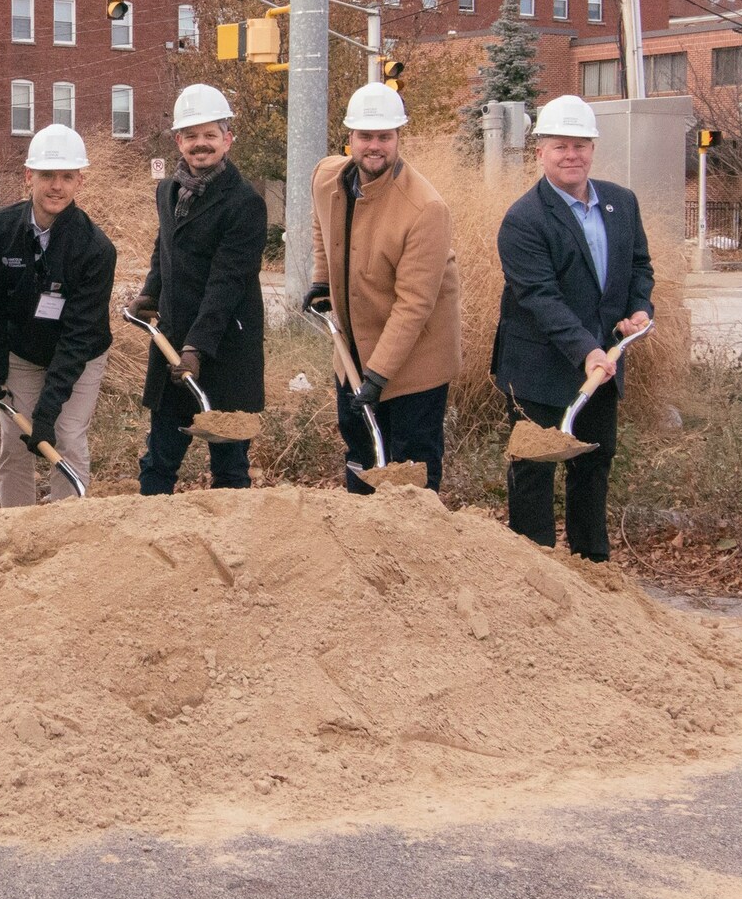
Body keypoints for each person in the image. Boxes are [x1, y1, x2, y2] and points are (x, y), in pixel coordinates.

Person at [493, 94, 655, 562]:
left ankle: (591, 565)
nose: (571, 155)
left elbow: (639, 267)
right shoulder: (524, 219)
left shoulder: (621, 203)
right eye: (560, 146)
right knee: (534, 470)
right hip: (538, 367)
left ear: (593, 149)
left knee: (593, 464)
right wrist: (587, 350)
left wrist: (638, 309)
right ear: (540, 151)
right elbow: (539, 298)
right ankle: (534, 567)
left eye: (580, 145)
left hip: (601, 363)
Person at [305, 82, 462, 492]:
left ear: (398, 137)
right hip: (354, 350)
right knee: (361, 453)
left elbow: (415, 304)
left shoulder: (425, 209)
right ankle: (362, 526)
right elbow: (321, 224)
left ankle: (413, 530)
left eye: (384, 137)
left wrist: (378, 376)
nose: (374, 146)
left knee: (411, 468)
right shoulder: (326, 178)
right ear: (350, 137)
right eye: (365, 136)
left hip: (416, 359)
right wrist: (322, 281)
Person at [133, 84, 267, 495]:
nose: (200, 144)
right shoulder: (167, 190)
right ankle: (151, 528)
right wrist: (150, 293)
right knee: (158, 461)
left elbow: (227, 283)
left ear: (227, 139)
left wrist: (196, 347)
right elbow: (165, 247)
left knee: (229, 468)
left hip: (225, 350)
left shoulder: (244, 203)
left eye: (210, 134)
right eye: (191, 135)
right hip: (173, 345)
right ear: (179, 141)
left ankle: (231, 533)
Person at [0, 123, 115, 507]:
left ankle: (67, 526)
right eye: (47, 175)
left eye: (67, 177)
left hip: (80, 355)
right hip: (22, 349)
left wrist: (48, 413)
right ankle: (16, 524)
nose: (56, 186)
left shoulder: (95, 249)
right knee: (15, 441)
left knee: (65, 437)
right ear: (28, 177)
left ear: (79, 182)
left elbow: (78, 337)